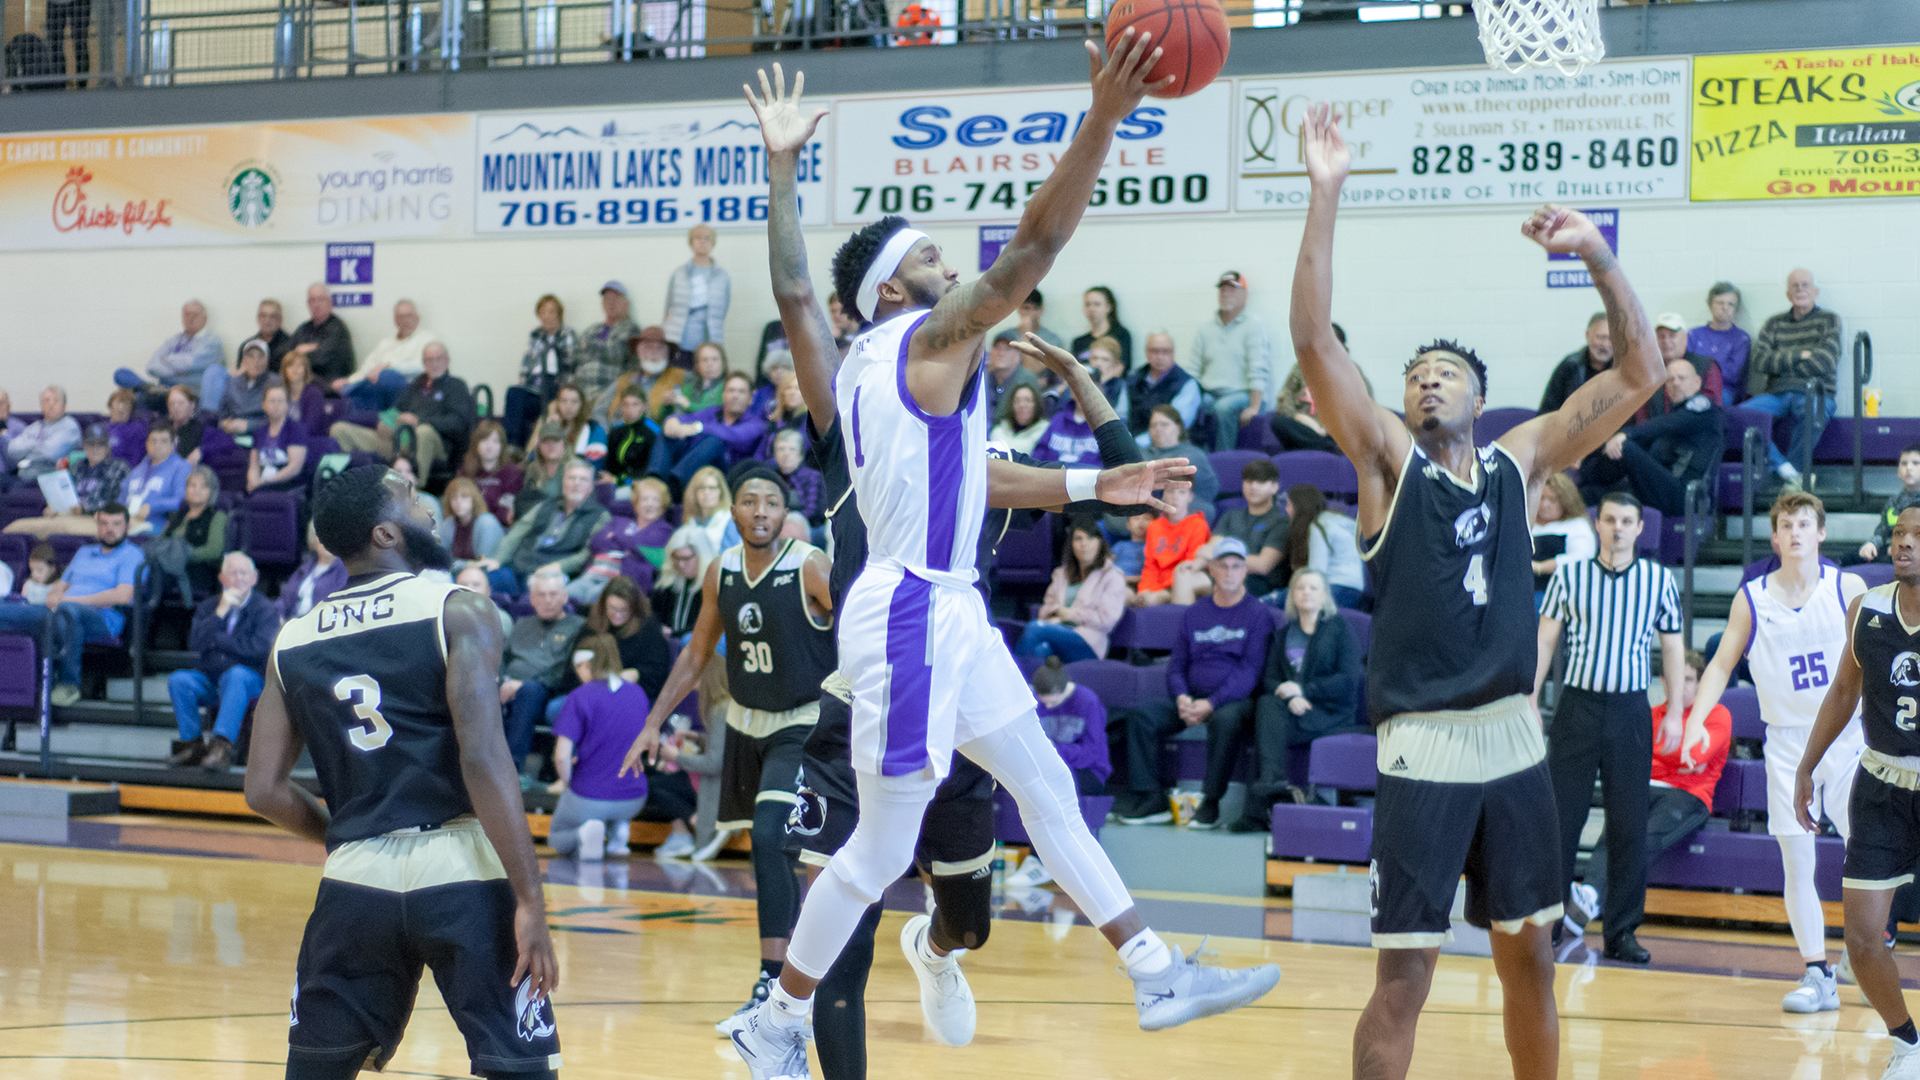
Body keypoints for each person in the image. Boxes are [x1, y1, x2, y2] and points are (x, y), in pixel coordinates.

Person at [722, 58, 1275, 1080]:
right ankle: (776, 1017)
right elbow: (1035, 245)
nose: (949, 263)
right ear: (896, 286)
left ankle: (1153, 970)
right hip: (907, 615)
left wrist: (1083, 489)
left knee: (1046, 785)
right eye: (930, 254)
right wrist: (1104, 115)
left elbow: (955, 460)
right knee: (885, 853)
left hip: (945, 611)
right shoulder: (927, 340)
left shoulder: (865, 372)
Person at [1291, 101, 1666, 1080]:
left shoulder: (1522, 458)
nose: (1425, 382)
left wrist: (1595, 252)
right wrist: (1324, 193)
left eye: (1445, 371)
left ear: (1478, 392)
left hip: (1514, 736)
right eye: (1414, 373)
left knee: (1529, 962)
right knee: (1405, 976)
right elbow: (1317, 352)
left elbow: (1642, 369)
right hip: (1423, 741)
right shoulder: (1386, 464)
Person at [241, 464, 560, 1078]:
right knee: (518, 1068)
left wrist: (346, 833)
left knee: (317, 1068)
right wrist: (529, 896)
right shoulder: (459, 609)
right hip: (463, 867)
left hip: (354, 877)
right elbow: (484, 756)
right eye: (412, 498)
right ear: (386, 535)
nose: (429, 505)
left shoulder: (294, 637)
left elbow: (263, 790)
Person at [620, 469, 835, 1033]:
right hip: (746, 722)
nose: (760, 510)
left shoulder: (810, 564)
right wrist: (652, 723)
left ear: (784, 513)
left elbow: (859, 628)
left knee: (771, 838)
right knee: (775, 850)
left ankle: (778, 984)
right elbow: (695, 655)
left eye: (771, 502)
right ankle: (789, 984)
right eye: (749, 501)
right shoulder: (722, 571)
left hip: (805, 722)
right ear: (734, 512)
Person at [1684, 490, 1869, 1013]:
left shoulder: (1847, 587)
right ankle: (1817, 973)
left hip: (1846, 735)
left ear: (1821, 533)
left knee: (1870, 849)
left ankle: (1868, 944)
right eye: (1786, 526)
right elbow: (1720, 664)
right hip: (1787, 741)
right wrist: (1696, 720)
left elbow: (1880, 654)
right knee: (1796, 861)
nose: (1795, 533)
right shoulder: (1752, 596)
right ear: (1774, 538)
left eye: (1804, 524)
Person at [1788, 506, 1920, 1079]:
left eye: (1917, 536)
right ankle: (1909, 1046)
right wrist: (1806, 767)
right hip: (1882, 785)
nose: (1904, 545)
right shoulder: (1866, 607)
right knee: (1863, 938)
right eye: (1898, 534)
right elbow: (1844, 689)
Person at [1531, 492, 1685, 965]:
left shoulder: (1658, 580)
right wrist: (1530, 697)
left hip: (1630, 712)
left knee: (1628, 825)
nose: (1618, 527)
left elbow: (1674, 647)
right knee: (1561, 820)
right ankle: (1549, 923)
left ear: (1640, 529)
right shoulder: (1570, 575)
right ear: (1597, 524)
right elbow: (1545, 637)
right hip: (1577, 708)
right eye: (1610, 519)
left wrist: (1676, 709)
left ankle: (1621, 931)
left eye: (1627, 520)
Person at [1568, 648, 1730, 951]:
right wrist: (1673, 756)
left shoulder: (1717, 715)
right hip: (1645, 787)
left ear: (1701, 683)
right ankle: (1588, 897)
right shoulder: (1650, 714)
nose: (1682, 687)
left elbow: (1694, 756)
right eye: (1675, 679)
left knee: (1643, 838)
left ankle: (1591, 905)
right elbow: (1637, 757)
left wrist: (1661, 755)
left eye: (1690, 680)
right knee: (1616, 831)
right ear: (1663, 682)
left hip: (1688, 796)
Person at [1114, 538, 1273, 827]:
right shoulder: (1196, 612)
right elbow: (1176, 666)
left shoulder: (1257, 614)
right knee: (1141, 717)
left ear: (1245, 571)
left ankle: (1210, 803)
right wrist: (1182, 698)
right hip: (1192, 698)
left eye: (1236, 566)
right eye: (1222, 565)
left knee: (1225, 719)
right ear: (1211, 569)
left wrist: (1211, 704)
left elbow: (1250, 672)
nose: (1229, 572)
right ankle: (1151, 799)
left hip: (1234, 702)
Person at [1228, 567, 1366, 832]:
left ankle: (1259, 807)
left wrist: (1303, 690)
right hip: (1293, 711)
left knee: (1266, 726)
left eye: (1313, 588)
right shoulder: (1283, 634)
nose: (1306, 593)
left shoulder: (1340, 630)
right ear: (1292, 595)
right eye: (1300, 588)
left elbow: (1348, 681)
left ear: (1325, 595)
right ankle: (1272, 786)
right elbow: (1269, 680)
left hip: (1330, 712)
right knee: (1267, 710)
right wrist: (1288, 694)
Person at [0, 504, 145, 706]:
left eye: (116, 524)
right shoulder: (84, 552)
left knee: (69, 613)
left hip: (102, 618)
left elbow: (122, 595)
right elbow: (61, 585)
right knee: (6, 609)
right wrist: (55, 595)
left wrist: (69, 601)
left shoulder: (132, 555)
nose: (109, 529)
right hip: (60, 612)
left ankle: (70, 685)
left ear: (127, 527)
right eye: (104, 523)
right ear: (97, 524)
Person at [166, 551, 279, 770]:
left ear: (254, 577)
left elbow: (257, 649)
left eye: (243, 573)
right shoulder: (210, 607)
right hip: (212, 678)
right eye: (232, 573)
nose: (238, 578)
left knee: (236, 674)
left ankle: (221, 746)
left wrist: (218, 639)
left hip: (252, 681)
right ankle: (193, 745)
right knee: (179, 680)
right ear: (222, 579)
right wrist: (220, 613)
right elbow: (196, 644)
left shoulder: (266, 610)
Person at [1577, 356, 1725, 519]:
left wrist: (1626, 435)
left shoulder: (1705, 410)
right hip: (1660, 488)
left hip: (1686, 495)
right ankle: (1582, 480)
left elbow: (1666, 424)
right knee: (1587, 494)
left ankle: (1586, 476)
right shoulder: (1671, 415)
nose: (1675, 383)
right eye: (1670, 380)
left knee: (1625, 446)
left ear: (1697, 382)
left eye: (1682, 378)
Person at [546, 633, 651, 860]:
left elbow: (562, 756)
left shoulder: (579, 696)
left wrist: (565, 783)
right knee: (613, 799)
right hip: (634, 797)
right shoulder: (638, 693)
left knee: (557, 836)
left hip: (589, 797)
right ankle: (618, 835)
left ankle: (586, 832)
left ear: (585, 663)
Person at [1746, 268, 1842, 487]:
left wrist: (1780, 362)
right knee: (1740, 416)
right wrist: (1801, 355)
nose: (1800, 289)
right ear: (1788, 294)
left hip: (1815, 392)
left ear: (1815, 291)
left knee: (1813, 412)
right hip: (1776, 394)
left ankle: (1793, 474)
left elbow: (1825, 362)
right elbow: (1760, 362)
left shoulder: (1829, 320)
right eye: (1795, 286)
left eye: (1805, 284)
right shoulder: (1774, 323)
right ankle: (1787, 470)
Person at [498, 565, 588, 774]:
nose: (547, 600)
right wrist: (500, 680)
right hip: (508, 685)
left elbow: (566, 671)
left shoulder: (578, 626)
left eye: (553, 594)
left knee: (528, 691)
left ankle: (513, 769)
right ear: (532, 598)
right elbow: (502, 657)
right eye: (541, 594)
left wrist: (519, 685)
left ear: (565, 597)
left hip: (547, 690)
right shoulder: (522, 624)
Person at [479, 458, 611, 597]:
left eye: (583, 479)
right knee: (480, 581)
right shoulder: (544, 506)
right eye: (572, 478)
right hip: (520, 568)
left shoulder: (600, 516)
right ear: (563, 483)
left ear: (590, 487)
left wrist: (559, 567)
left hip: (556, 576)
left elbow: (587, 553)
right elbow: (516, 533)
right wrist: (498, 559)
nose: (576, 483)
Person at [1016, 519, 1127, 662]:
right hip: (1056, 631)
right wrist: (1058, 612)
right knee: (1041, 650)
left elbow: (1107, 620)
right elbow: (1045, 610)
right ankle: (1033, 683)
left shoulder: (1113, 576)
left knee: (1035, 628)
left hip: (1088, 641)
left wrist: (1073, 615)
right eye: (1078, 539)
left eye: (1091, 538)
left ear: (1100, 543)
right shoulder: (1061, 574)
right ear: (1072, 544)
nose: (1084, 544)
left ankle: (1007, 680)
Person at [1190, 271, 1271, 451]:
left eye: (1232, 290)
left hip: (1240, 394)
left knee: (1223, 408)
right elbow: (1193, 370)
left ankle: (1223, 458)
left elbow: (1258, 368)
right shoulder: (1206, 329)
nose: (1226, 294)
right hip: (1210, 392)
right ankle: (1197, 457)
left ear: (1245, 294)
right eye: (1223, 290)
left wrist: (1255, 406)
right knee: (1196, 404)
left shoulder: (1253, 326)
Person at [5, 423, 127, 539]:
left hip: (96, 519)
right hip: (67, 515)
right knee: (15, 529)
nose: (96, 449)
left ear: (108, 447)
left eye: (100, 444)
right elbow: (63, 494)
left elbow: (117, 503)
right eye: (91, 444)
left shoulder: (118, 468)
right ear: (84, 445)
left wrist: (85, 510)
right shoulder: (76, 467)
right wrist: (53, 507)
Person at [661, 371, 767, 484]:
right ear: (723, 394)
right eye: (731, 390)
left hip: (732, 477)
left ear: (751, 398)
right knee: (664, 435)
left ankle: (675, 483)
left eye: (741, 392)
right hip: (699, 471)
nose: (735, 395)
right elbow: (684, 418)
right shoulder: (713, 412)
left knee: (714, 440)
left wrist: (698, 427)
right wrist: (672, 421)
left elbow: (734, 434)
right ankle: (656, 479)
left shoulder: (757, 424)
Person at [116, 299, 225, 407]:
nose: (190, 318)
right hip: (164, 389)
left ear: (205, 319)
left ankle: (145, 388)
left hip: (190, 393)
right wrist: (179, 372)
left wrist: (166, 360)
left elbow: (189, 364)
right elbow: (151, 366)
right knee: (121, 374)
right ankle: (144, 386)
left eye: (195, 315)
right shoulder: (174, 340)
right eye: (187, 315)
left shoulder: (213, 342)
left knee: (145, 396)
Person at [583, 575, 672, 702]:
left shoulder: (648, 628)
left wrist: (637, 674)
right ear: (604, 605)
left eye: (623, 610)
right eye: (612, 608)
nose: (617, 615)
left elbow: (658, 670)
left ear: (634, 609)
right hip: (592, 690)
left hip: (630, 695)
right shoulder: (593, 625)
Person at [343, 299, 437, 410]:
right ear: (395, 320)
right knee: (343, 389)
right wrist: (349, 381)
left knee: (387, 376)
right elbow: (368, 369)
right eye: (401, 317)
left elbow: (423, 367)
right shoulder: (386, 343)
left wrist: (388, 366)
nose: (405, 321)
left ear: (417, 318)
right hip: (376, 389)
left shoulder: (427, 340)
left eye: (409, 316)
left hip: (409, 392)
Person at [1213, 459, 1288, 595]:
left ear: (1274, 487)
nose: (1253, 487)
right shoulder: (1230, 515)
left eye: (1261, 482)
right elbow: (1212, 550)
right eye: (1248, 481)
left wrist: (1224, 560)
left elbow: (1263, 565)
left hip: (1259, 584)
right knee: (1187, 578)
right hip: (1224, 579)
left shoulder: (1281, 521)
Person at [1281, 484, 1363, 609]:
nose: (1286, 510)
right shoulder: (1340, 520)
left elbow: (1316, 575)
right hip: (1356, 590)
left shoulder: (1319, 526)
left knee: (1271, 602)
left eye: (1289, 505)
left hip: (1334, 588)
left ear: (1299, 507)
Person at [158, 466, 229, 601]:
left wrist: (184, 555)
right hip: (169, 569)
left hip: (199, 571)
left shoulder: (217, 516)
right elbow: (161, 541)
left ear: (211, 491)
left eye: (203, 487)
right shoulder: (178, 515)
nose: (196, 490)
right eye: (192, 485)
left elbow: (213, 551)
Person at [1133, 483, 1209, 607]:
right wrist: (1146, 590)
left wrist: (1163, 592)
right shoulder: (1154, 526)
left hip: (1183, 580)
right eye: (1170, 492)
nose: (1175, 497)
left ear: (1190, 497)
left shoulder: (1198, 525)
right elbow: (1151, 565)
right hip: (1158, 586)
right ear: (1163, 496)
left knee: (1183, 575)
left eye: (1182, 492)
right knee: (1142, 598)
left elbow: (1189, 565)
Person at [665, 224, 732, 357]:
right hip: (679, 339)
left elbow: (724, 309)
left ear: (713, 243)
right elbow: (668, 306)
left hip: (710, 338)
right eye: (698, 238)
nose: (702, 242)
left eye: (707, 238)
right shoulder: (679, 273)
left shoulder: (722, 276)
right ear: (691, 242)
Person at [596, 325, 684, 427]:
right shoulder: (623, 380)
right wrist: (605, 434)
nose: (654, 352)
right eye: (649, 347)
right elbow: (598, 411)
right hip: (617, 436)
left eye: (660, 348)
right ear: (639, 351)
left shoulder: (679, 377)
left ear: (667, 352)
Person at [576, 281, 640, 411]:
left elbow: (634, 369)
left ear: (626, 303)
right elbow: (576, 360)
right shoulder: (591, 330)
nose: (611, 303)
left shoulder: (631, 331)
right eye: (607, 299)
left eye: (616, 298)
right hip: (581, 392)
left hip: (608, 394)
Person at [1530, 473, 1597, 598]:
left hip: (1561, 592)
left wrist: (1540, 567)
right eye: (1541, 498)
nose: (1545, 505)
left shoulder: (1577, 525)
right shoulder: (1528, 524)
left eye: (1552, 499)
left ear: (1566, 501)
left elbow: (1581, 558)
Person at [1127, 331, 1201, 437]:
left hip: (1171, 446)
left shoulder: (1187, 384)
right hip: (1133, 442)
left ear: (1173, 352)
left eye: (1166, 351)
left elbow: (1175, 427)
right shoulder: (1133, 378)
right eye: (1154, 351)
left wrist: (1136, 444)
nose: (1160, 356)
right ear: (1146, 352)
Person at [1689, 282, 1751, 407]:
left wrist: (1701, 372)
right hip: (1693, 388)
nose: (1725, 308)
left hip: (1725, 391)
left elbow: (1732, 375)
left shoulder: (1741, 338)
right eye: (1720, 303)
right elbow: (1686, 365)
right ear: (1710, 305)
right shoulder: (1694, 335)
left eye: (1731, 304)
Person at [1538, 312, 1613, 414]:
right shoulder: (1569, 366)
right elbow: (1547, 412)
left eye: (1611, 338)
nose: (1605, 344)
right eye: (1600, 337)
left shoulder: (1624, 369)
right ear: (1588, 335)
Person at [124, 423, 192, 532]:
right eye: (153, 441)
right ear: (147, 444)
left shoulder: (181, 467)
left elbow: (181, 501)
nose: (157, 445)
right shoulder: (137, 470)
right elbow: (121, 497)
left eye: (163, 441)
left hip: (158, 527)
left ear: (172, 444)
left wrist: (152, 506)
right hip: (127, 522)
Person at [651, 524, 714, 639]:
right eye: (676, 558)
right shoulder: (666, 582)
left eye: (686, 558)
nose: (681, 564)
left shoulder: (715, 587)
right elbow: (654, 616)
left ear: (701, 556)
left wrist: (674, 634)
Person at [6, 385, 81, 482]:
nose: (51, 404)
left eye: (56, 400)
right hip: (25, 480)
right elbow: (12, 449)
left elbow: (50, 453)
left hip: (54, 480)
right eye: (46, 400)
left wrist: (27, 456)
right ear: (42, 406)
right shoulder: (35, 427)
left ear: (64, 406)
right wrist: (37, 445)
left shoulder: (69, 426)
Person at [289, 283, 355, 387]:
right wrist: (314, 348)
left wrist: (303, 351)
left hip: (331, 386)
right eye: (312, 300)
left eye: (321, 299)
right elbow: (289, 356)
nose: (316, 304)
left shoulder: (337, 328)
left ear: (330, 302)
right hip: (305, 384)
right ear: (308, 304)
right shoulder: (303, 329)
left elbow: (320, 359)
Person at [1862, 446, 1920, 564]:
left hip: (1913, 558)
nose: (1909, 468)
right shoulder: (1893, 502)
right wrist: (1871, 544)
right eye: (1904, 463)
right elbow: (1881, 533)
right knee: (1852, 558)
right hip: (1890, 555)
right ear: (1898, 472)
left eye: (1915, 463)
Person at [246, 385, 308, 495]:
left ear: (286, 405)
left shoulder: (296, 430)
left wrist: (265, 482)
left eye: (280, 401)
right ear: (263, 405)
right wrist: (253, 481)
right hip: (261, 485)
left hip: (286, 488)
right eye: (272, 401)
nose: (276, 405)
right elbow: (254, 465)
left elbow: (294, 468)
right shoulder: (258, 432)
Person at [461, 420, 524, 525]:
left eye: (495, 441)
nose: (489, 446)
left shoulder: (512, 473)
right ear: (476, 444)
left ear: (502, 446)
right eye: (484, 440)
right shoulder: (466, 470)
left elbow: (506, 513)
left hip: (497, 527)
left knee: (486, 523)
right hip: (468, 524)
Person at [1269, 364, 1342, 454]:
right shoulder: (1299, 369)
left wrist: (1326, 428)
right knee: (1278, 422)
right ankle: (1325, 447)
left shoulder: (1345, 370)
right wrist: (1301, 417)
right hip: (1305, 428)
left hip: (1333, 432)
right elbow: (1284, 403)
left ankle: (1320, 447)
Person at [279, 523, 346, 620]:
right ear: (314, 542)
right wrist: (278, 617)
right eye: (322, 538)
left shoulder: (344, 571)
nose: (327, 543)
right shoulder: (305, 569)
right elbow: (284, 599)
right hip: (294, 624)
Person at [522, 293, 579, 408]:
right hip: (534, 385)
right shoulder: (535, 334)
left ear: (559, 314)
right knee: (514, 393)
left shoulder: (567, 334)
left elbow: (570, 365)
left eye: (551, 312)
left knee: (547, 381)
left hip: (556, 384)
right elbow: (528, 361)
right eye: (542, 312)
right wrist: (523, 378)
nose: (546, 316)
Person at [531, 383, 606, 467]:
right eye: (564, 401)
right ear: (558, 404)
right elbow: (533, 457)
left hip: (579, 475)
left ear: (582, 405)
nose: (568, 406)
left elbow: (595, 463)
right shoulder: (552, 425)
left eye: (574, 402)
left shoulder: (594, 429)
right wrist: (551, 428)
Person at [437, 477, 505, 568]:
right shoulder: (449, 524)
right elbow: (440, 559)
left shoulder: (486, 522)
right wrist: (466, 565)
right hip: (458, 573)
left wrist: (459, 565)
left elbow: (484, 564)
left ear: (474, 499)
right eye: (454, 498)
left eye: (464, 497)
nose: (459, 502)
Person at [602, 386, 659, 490]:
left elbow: (650, 470)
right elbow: (609, 464)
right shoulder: (615, 431)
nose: (629, 409)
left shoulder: (653, 432)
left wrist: (619, 481)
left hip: (642, 486)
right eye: (625, 404)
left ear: (644, 406)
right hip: (615, 483)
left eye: (635, 404)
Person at [218, 340, 281, 434]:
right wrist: (225, 423)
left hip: (262, 434)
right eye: (251, 356)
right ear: (243, 360)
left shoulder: (275, 382)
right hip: (232, 434)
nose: (256, 361)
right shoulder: (232, 381)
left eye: (260, 356)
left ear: (267, 361)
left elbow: (279, 418)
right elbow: (223, 414)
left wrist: (249, 425)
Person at [984, 328, 1043, 422]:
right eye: (997, 348)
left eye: (1007, 349)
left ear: (1018, 355)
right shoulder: (984, 378)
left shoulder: (1026, 379)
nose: (1001, 353)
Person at [1071, 285, 1132, 373]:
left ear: (1108, 307)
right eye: (1087, 304)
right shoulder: (1079, 342)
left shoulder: (1120, 335)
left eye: (1097, 304)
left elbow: (1123, 367)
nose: (1091, 309)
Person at [770, 428, 825, 525]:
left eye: (792, 449)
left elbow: (812, 511)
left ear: (801, 455)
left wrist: (786, 521)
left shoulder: (812, 476)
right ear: (774, 454)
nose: (786, 454)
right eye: (781, 449)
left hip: (807, 526)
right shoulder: (771, 476)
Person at [683, 465, 740, 553]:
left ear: (720, 492)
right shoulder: (691, 520)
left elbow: (730, 558)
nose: (706, 493)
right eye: (701, 488)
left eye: (712, 488)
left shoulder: (729, 520)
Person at [517, 422, 571, 513]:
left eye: (555, 440)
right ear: (539, 445)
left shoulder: (572, 467)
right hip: (539, 518)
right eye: (546, 441)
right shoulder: (532, 469)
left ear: (563, 444)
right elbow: (527, 499)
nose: (551, 445)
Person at [988, 384, 1049, 455]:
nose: (1022, 405)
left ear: (1036, 404)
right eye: (1017, 401)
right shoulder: (998, 431)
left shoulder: (1044, 432)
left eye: (1028, 400)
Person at [628, 476, 675, 566]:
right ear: (636, 503)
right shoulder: (627, 525)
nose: (650, 504)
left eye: (656, 500)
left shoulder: (664, 530)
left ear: (662, 507)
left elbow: (636, 545)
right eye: (645, 499)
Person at [277, 350, 326, 430]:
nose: (295, 369)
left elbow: (311, 427)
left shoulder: (314, 393)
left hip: (307, 440)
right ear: (284, 370)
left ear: (305, 370)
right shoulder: (280, 393)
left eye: (299, 366)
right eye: (290, 365)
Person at [243, 298, 295, 373]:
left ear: (280, 319)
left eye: (272, 316)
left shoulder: (291, 345)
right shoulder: (247, 346)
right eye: (263, 316)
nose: (267, 320)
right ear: (258, 318)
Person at [164, 385, 208, 466]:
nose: (176, 407)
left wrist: (201, 451)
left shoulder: (200, 429)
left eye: (181, 403)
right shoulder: (161, 428)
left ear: (192, 405)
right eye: (172, 403)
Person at [104, 387, 149, 465]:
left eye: (126, 404)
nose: (121, 408)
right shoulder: (103, 428)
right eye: (118, 403)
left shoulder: (136, 429)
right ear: (110, 406)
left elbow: (136, 460)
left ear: (131, 409)